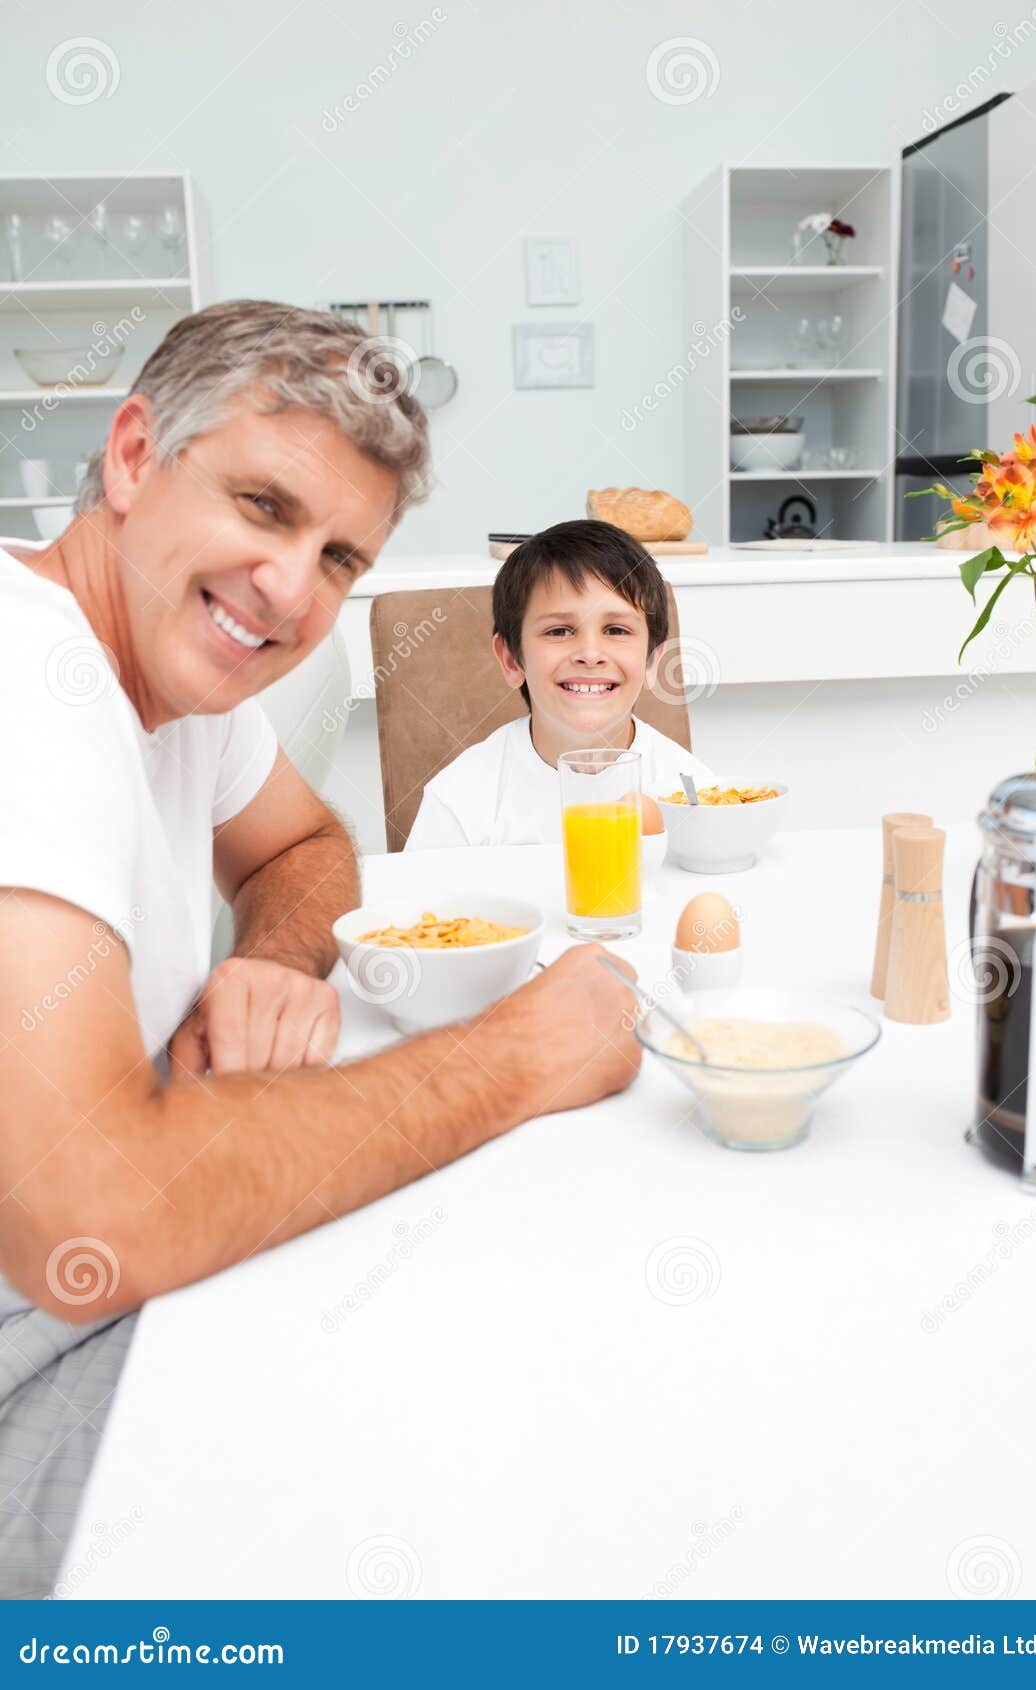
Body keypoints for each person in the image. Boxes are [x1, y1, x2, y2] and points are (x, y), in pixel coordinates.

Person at [0, 300, 639, 1597]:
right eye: (262, 506)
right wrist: (515, 1053)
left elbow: (304, 849)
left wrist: (273, 963)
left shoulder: (179, 684)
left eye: (342, 555)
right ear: (132, 457)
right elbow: (98, 1212)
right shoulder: (29, 678)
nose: (292, 590)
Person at [405, 520, 714, 849]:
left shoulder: (691, 791)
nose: (590, 655)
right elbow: (420, 899)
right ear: (511, 660)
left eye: (616, 630)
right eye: (559, 631)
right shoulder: (460, 799)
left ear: (652, 661)